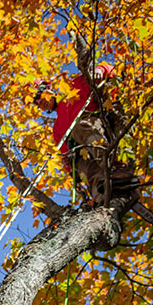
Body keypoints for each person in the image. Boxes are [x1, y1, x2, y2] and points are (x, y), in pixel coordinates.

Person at [33, 63, 137, 204]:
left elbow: (110, 71)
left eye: (38, 95)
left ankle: (115, 167)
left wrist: (100, 70)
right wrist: (70, 169)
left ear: (48, 89)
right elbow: (65, 152)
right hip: (82, 151)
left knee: (81, 126)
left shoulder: (74, 87)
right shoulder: (57, 128)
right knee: (81, 163)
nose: (39, 102)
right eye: (35, 102)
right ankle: (101, 194)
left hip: (97, 128)